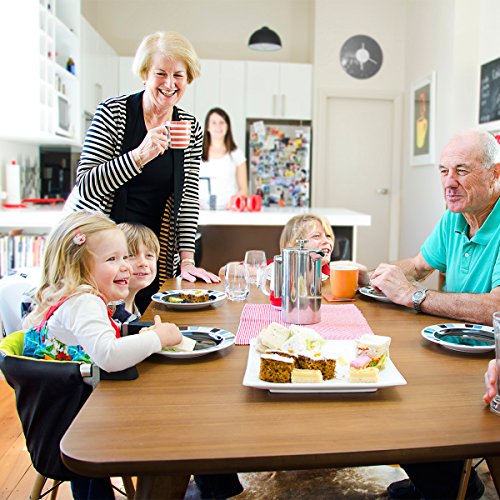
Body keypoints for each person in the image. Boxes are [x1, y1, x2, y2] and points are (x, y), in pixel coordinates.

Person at [371, 129, 500, 499]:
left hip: (493, 359)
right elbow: (416, 266)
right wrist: (368, 277)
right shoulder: (455, 218)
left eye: (461, 170)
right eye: (443, 171)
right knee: (385, 381)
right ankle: (441, 479)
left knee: (407, 402)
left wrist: (415, 296)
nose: (449, 183)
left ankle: (447, 484)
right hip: (457, 347)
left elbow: (496, 306)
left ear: (495, 174)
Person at [21, 211, 183, 500]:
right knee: (176, 419)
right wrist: (157, 338)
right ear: (77, 267)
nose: (125, 267)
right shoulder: (84, 302)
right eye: (112, 259)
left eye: (124, 258)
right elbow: (108, 355)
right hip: (74, 424)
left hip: (64, 413)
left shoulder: (72, 297)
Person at [64, 31, 219, 314]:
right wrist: (139, 156)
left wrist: (187, 261)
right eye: (161, 73)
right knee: (105, 325)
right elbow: (86, 185)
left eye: (179, 76)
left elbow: (187, 199)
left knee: (148, 321)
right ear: (145, 73)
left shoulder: (190, 127)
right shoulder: (113, 113)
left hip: (153, 253)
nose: (170, 84)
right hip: (104, 249)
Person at [199, 107, 248, 210]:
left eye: (222, 122)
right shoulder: (196, 153)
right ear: (207, 127)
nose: (218, 126)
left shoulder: (237, 154)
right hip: (201, 213)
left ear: (227, 127)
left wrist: (236, 202)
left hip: (228, 213)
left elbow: (243, 189)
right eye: (214, 123)